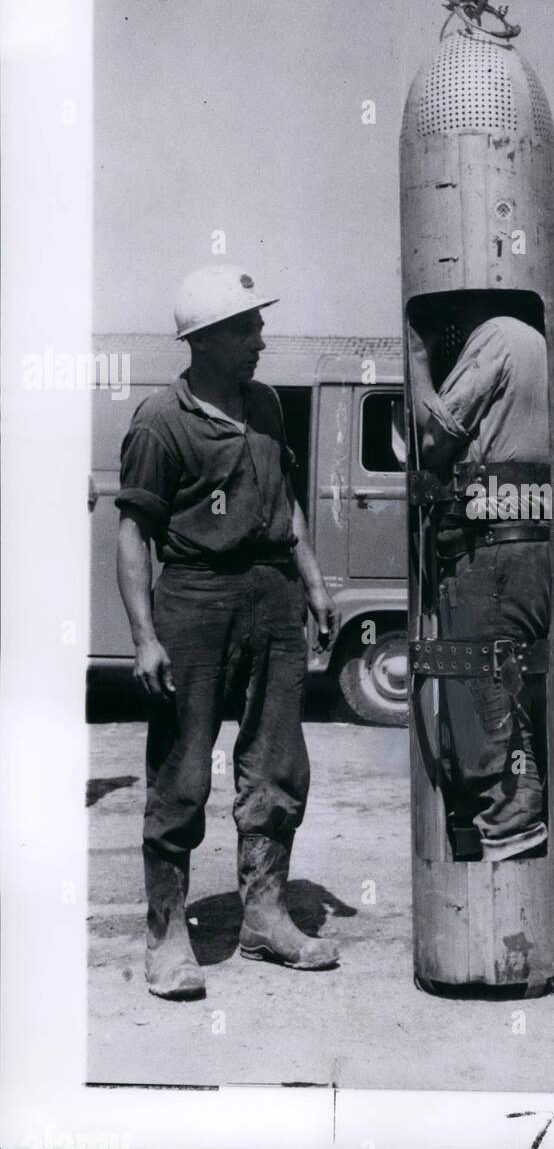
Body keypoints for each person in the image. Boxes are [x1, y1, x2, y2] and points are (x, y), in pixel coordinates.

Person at [116, 264, 340, 1000]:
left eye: (258, 325)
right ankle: (167, 935)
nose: (260, 340)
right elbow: (133, 532)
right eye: (246, 328)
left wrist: (312, 583)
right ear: (203, 339)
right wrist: (146, 636)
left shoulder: (268, 406)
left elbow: (287, 502)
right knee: (181, 770)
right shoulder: (160, 421)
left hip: (272, 600)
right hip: (195, 601)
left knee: (277, 764)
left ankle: (265, 917)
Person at [407, 296, 554, 862]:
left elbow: (432, 441)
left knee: (481, 692)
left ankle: (509, 819)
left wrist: (419, 365)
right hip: (517, 548)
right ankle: (500, 824)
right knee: (503, 689)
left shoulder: (495, 335)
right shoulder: (533, 343)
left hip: (490, 551)